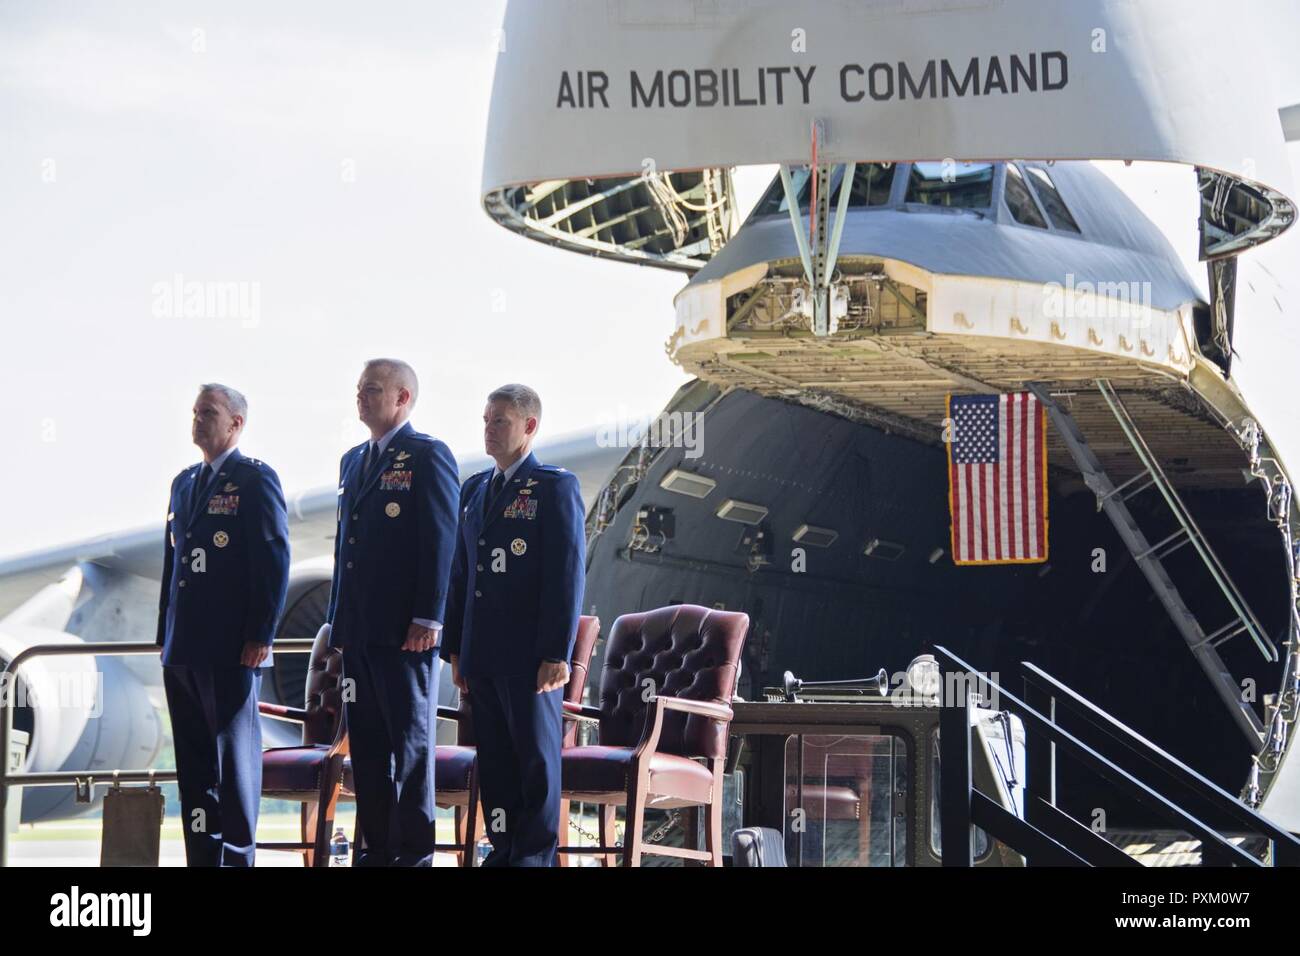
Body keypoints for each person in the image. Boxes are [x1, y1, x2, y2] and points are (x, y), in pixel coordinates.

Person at [442, 384, 585, 867]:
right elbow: (461, 573)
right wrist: (456, 649)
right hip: (481, 654)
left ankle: (534, 856)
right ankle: (504, 850)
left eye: (499, 420)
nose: (489, 429)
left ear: (529, 426)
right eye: (485, 420)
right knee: (497, 764)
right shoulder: (474, 489)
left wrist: (556, 652)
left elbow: (566, 574)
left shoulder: (553, 486)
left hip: (529, 657)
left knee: (535, 762)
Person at [327, 358, 458, 866]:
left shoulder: (427, 455)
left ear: (403, 397)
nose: (361, 396)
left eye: (373, 389)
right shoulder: (352, 460)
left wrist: (429, 617)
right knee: (368, 749)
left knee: (410, 749)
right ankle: (377, 852)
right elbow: (345, 548)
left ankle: (414, 854)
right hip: (359, 631)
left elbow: (441, 540)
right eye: (359, 388)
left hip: (405, 631)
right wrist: (338, 622)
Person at [157, 383, 289, 866]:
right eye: (195, 411)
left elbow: (272, 560)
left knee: (232, 764)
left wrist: (261, 634)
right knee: (193, 767)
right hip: (183, 649)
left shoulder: (254, 480)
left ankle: (236, 857)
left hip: (231, 647)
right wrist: (164, 636)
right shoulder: (183, 483)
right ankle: (202, 856)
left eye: (208, 412)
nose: (198, 420)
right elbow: (172, 567)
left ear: (236, 423)